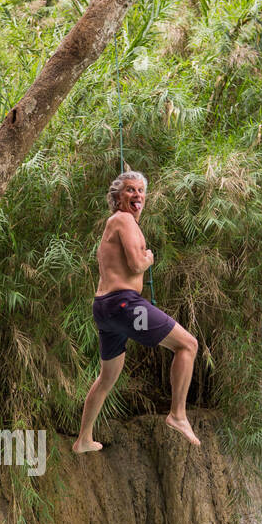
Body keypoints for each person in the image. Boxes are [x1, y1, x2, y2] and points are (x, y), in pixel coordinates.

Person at [73, 171, 201, 452]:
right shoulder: (123, 219)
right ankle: (177, 414)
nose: (138, 196)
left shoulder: (115, 223)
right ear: (117, 197)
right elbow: (135, 265)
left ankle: (83, 439)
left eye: (141, 191)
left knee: (107, 377)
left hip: (105, 309)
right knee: (187, 345)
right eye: (130, 190)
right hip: (124, 304)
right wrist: (148, 258)